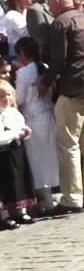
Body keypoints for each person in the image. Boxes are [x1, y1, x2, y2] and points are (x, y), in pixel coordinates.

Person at [41, 0, 84, 214]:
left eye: (50, 2)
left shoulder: (62, 22)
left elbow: (58, 60)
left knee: (68, 145)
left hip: (73, 88)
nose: (49, 6)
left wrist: (44, 82)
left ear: (57, 3)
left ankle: (72, 197)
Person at [14, 37, 55, 213]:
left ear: (22, 53)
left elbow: (19, 98)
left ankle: (44, 197)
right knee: (49, 157)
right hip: (48, 114)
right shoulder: (44, 67)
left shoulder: (23, 73)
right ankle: (49, 196)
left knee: (36, 160)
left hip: (32, 117)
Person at [0, 79, 34, 229]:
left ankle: (21, 211)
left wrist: (25, 131)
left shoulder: (14, 112)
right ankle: (5, 215)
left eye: (8, 95)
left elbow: (21, 125)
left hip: (17, 152)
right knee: (5, 186)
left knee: (20, 181)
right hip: (4, 154)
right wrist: (15, 134)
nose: (6, 99)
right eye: (1, 96)